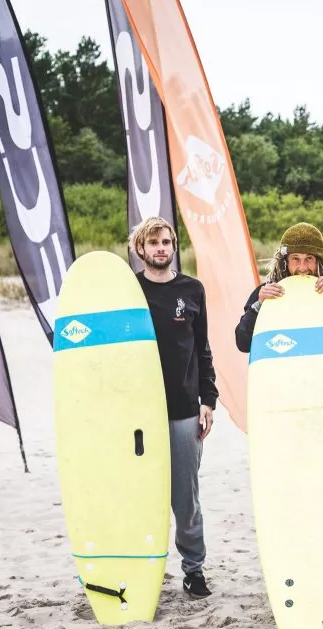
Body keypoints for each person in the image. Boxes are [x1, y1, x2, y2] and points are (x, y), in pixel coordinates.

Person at [131, 216, 217, 598]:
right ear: (141, 249)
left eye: (166, 241)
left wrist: (208, 401)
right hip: (136, 414)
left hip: (183, 410)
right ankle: (137, 569)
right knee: (139, 495)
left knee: (186, 498)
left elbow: (203, 350)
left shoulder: (192, 290)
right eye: (153, 243)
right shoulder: (126, 291)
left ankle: (193, 570)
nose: (161, 248)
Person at [235, 222, 323, 352]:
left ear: (319, 261)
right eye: (295, 259)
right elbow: (243, 344)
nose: (302, 267)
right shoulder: (267, 292)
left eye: (309, 259)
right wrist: (258, 306)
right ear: (285, 261)